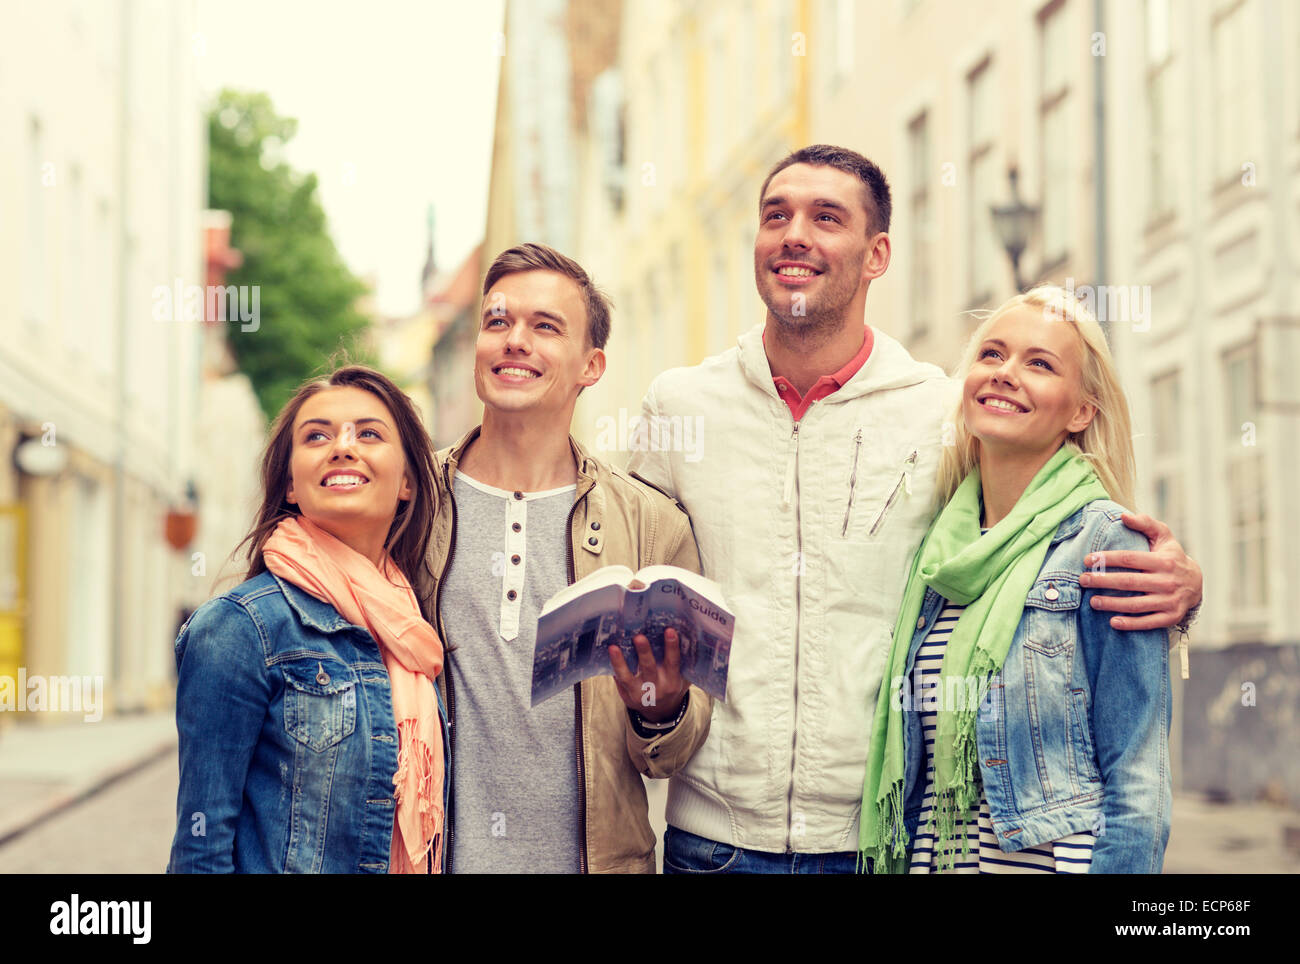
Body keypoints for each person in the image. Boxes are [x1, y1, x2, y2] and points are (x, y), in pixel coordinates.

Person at [628, 144, 1202, 874]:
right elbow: (628, 578)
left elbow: (1031, 538)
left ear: (878, 255)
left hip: (875, 844)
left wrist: (1179, 587)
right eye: (777, 215)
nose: (794, 234)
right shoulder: (679, 408)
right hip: (711, 842)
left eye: (826, 217)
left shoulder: (945, 411)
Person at [861, 286, 1171, 873]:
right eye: (992, 354)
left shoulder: (1105, 541)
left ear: (1081, 411)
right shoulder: (938, 551)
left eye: (1039, 364)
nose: (1006, 374)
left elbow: (1139, 776)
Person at [428, 243, 712, 874]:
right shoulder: (411, 505)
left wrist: (659, 706)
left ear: (592, 365)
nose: (514, 341)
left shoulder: (651, 527)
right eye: (497, 321)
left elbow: (673, 754)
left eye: (545, 327)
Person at [168, 366, 448, 874]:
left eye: (369, 433)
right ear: (292, 485)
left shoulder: (416, 630)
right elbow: (200, 851)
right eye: (316, 435)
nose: (342, 447)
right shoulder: (239, 630)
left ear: (406, 481)